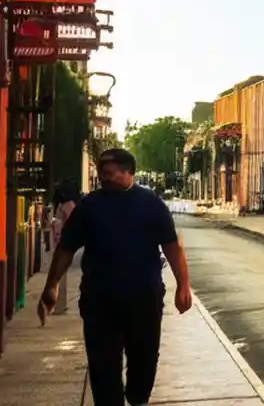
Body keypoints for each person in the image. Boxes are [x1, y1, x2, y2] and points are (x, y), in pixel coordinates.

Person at [38, 148, 192, 406]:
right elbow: (67, 247)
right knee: (102, 365)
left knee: (143, 358)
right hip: (99, 301)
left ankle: (138, 398)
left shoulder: (151, 204)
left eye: (109, 174)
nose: (104, 179)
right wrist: (51, 284)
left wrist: (183, 286)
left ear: (128, 172)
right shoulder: (89, 206)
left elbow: (172, 247)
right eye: (101, 174)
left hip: (143, 299)